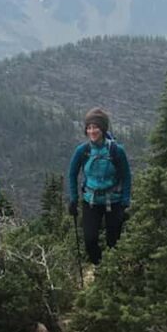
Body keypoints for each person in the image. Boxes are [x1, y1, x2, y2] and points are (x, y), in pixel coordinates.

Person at [67, 107, 132, 265]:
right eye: (89, 128)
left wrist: (125, 201)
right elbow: (72, 174)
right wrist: (74, 199)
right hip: (91, 201)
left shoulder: (116, 151)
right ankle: (99, 267)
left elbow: (126, 176)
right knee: (90, 240)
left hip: (114, 201)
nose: (92, 131)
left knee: (113, 240)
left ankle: (113, 270)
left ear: (102, 128)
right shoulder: (83, 151)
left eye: (95, 127)